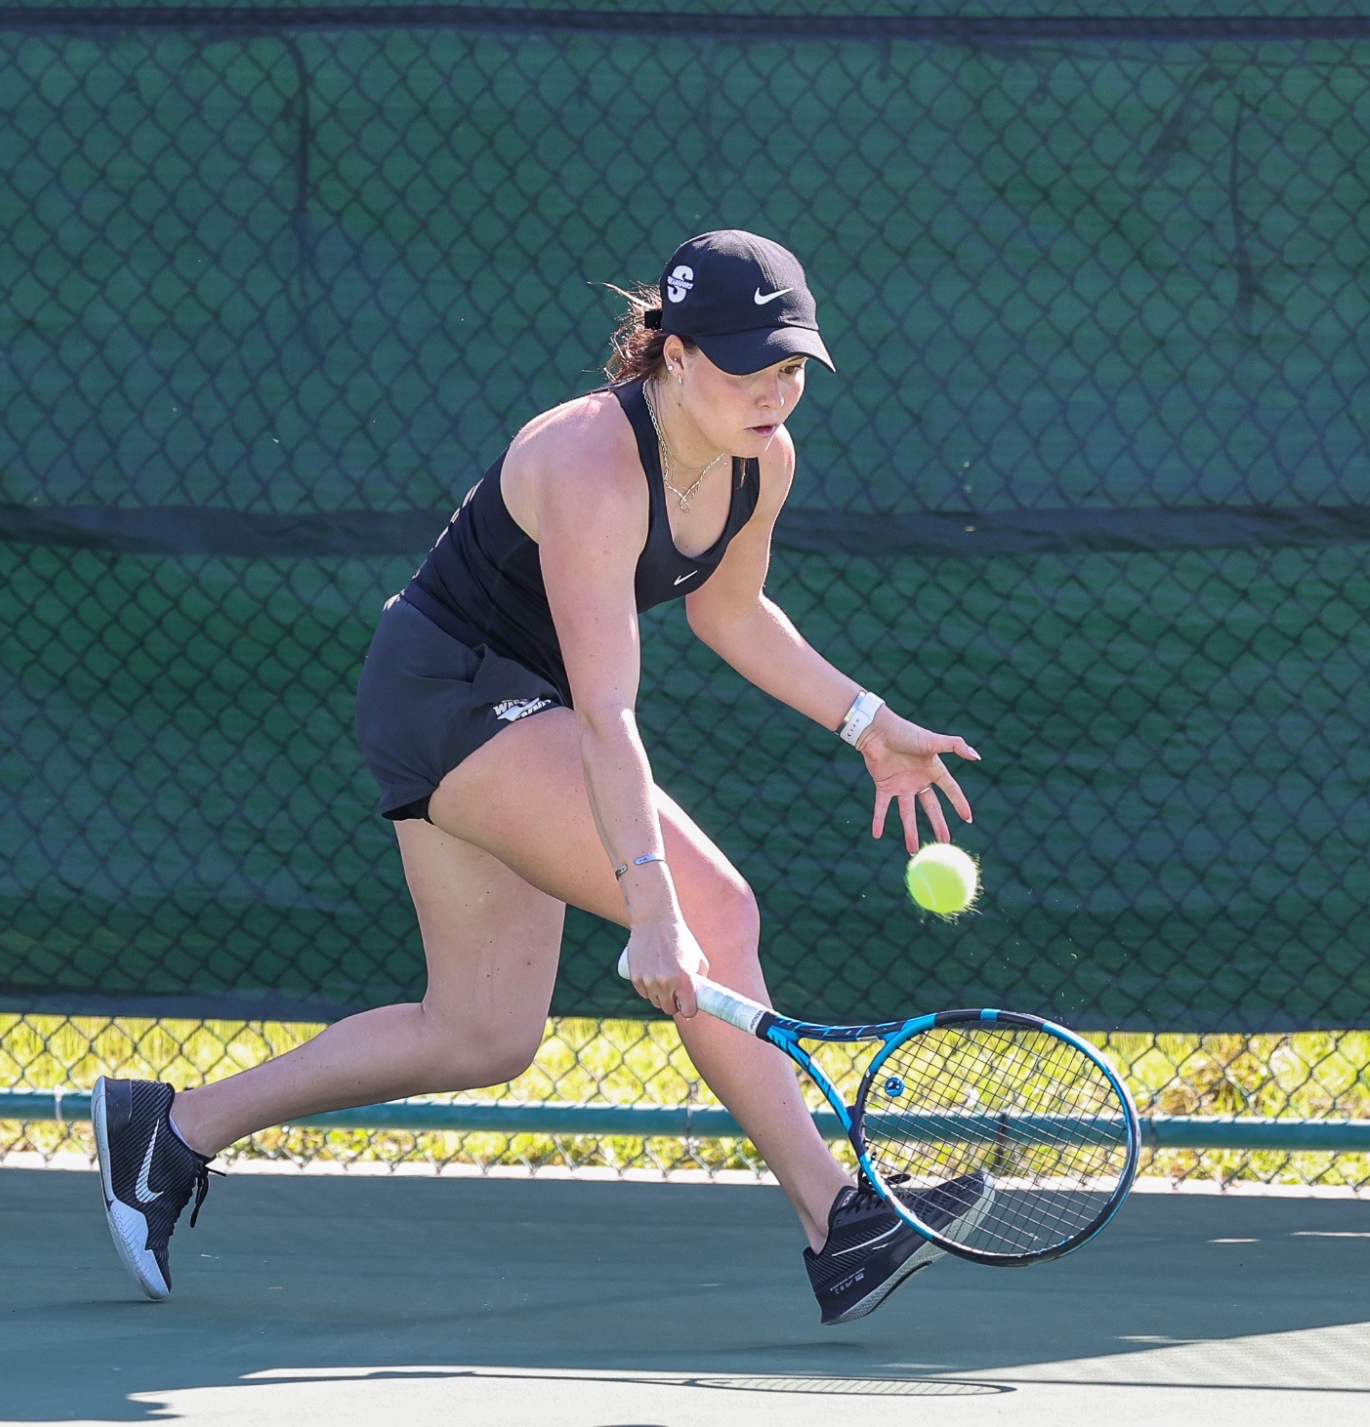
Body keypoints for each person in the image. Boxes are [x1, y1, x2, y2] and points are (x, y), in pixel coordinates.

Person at [90, 230, 991, 1325]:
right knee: (715, 906)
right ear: (670, 352)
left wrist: (864, 720)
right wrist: (653, 909)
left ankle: (168, 1128)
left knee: (481, 1032)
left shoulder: (763, 455)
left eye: (792, 362)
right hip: (449, 689)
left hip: (517, 703)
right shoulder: (586, 463)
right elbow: (607, 712)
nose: (775, 389)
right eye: (748, 363)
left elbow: (729, 609)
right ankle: (838, 1217)